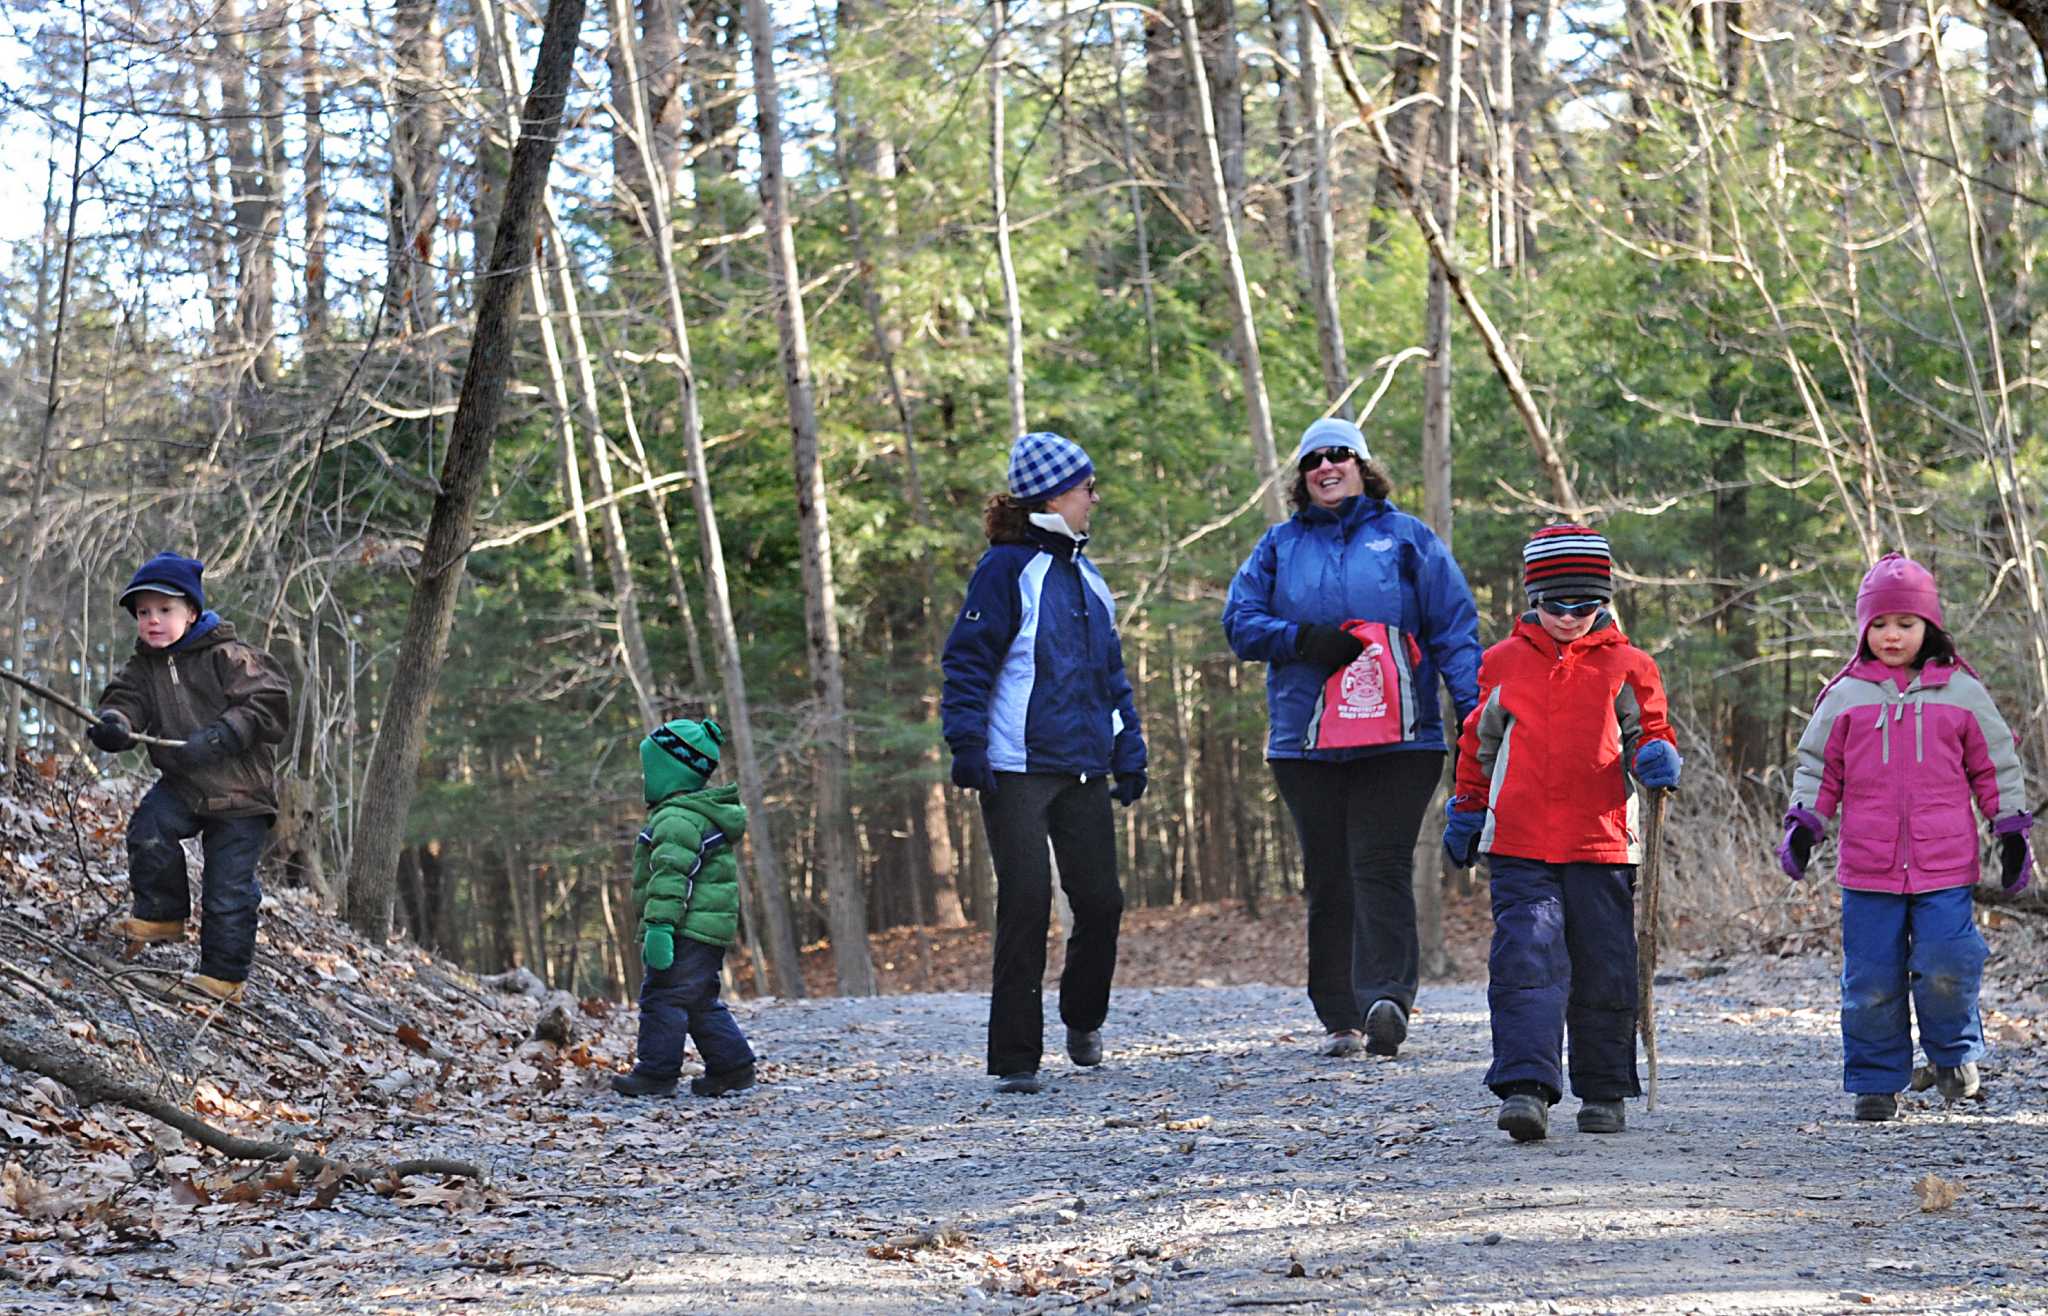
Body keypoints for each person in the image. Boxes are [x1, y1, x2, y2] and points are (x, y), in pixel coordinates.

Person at [1222, 417, 1482, 1059]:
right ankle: (1338, 1013)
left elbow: (1453, 626)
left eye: (1340, 455)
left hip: (1403, 738)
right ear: (1301, 477)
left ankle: (1387, 1000)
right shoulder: (1278, 547)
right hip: (1304, 744)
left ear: (1364, 466)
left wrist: (1474, 709)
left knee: (1382, 864)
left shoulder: (1407, 539)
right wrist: (1301, 639)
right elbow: (1239, 622)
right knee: (1330, 873)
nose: (1326, 466)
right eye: (1313, 459)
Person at [1442, 524, 1681, 1142]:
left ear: (1603, 599)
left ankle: (1603, 1090)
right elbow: (1479, 745)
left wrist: (1655, 756)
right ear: (1532, 599)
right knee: (1526, 955)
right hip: (1519, 840)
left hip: (1602, 842)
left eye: (1584, 605)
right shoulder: (1502, 664)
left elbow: (1649, 732)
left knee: (1605, 964)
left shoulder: (1630, 665)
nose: (1569, 617)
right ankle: (1527, 1086)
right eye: (1555, 605)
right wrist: (1467, 807)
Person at [1778, 553, 2031, 1122]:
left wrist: (2010, 827)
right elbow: (1818, 767)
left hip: (1945, 865)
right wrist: (1804, 823)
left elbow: (1996, 765)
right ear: (1864, 630)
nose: (1892, 635)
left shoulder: (1963, 693)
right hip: (1869, 867)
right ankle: (1875, 1080)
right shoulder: (1845, 696)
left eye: (1905, 624)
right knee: (1870, 978)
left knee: (1948, 962)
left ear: (1929, 627)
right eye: (1880, 625)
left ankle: (1954, 1055)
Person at [941, 431, 1148, 1095]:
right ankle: (1015, 1058)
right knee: (1027, 902)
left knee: (1102, 901)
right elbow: (967, 661)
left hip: (1084, 763)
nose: (1096, 498)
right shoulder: (1005, 569)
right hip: (1016, 766)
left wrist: (1129, 747)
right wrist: (967, 744)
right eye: (1087, 486)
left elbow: (1109, 678)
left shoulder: (1088, 576)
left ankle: (1083, 1019)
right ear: (1056, 495)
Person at [89, 551, 292, 1003]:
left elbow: (269, 701)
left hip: (241, 794)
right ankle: (162, 914)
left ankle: (223, 978)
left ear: (192, 612)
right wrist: (114, 725)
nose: (153, 621)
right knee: (149, 827)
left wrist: (223, 736)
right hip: (184, 786)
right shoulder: (143, 667)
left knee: (228, 890)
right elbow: (125, 701)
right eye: (144, 612)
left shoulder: (228, 654)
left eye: (165, 610)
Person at [612, 717, 757, 1099]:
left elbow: (670, 877)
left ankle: (656, 1073)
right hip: (705, 928)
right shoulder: (690, 814)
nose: (645, 779)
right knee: (696, 999)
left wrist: (659, 928)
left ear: (671, 773)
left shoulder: (677, 819)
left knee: (662, 997)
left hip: (684, 928)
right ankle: (733, 1066)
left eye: (650, 770)